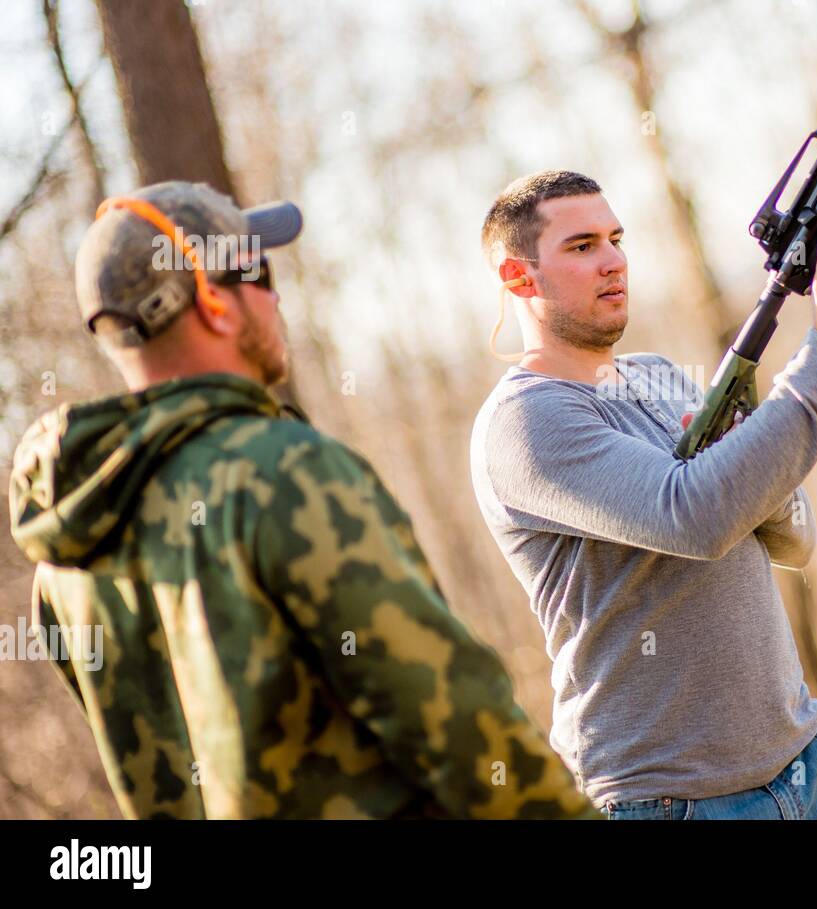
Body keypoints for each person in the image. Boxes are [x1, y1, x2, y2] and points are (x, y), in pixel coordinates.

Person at [8, 180, 596, 819]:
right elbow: (458, 723)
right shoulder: (283, 473)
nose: (276, 293)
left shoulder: (63, 560)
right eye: (257, 272)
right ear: (214, 302)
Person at [469, 169, 817, 818]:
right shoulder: (526, 423)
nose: (613, 260)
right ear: (519, 278)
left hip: (809, 762)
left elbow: (796, 537)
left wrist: (742, 467)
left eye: (616, 238)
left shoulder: (662, 377)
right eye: (582, 246)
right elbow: (694, 516)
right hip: (672, 800)